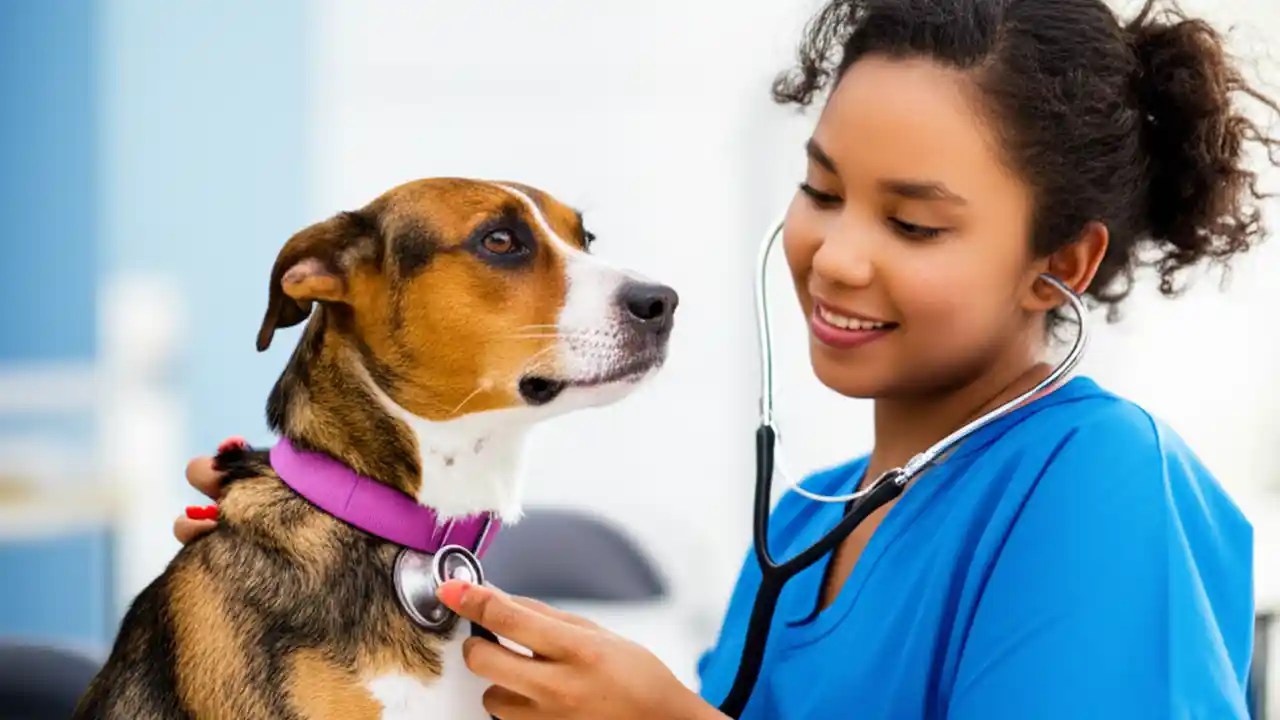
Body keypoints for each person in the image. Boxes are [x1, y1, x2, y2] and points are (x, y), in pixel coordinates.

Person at [173, 0, 1279, 717]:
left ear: (1059, 264)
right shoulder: (799, 525)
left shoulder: (1099, 482)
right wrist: (334, 557)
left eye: (913, 225)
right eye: (822, 190)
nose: (835, 257)